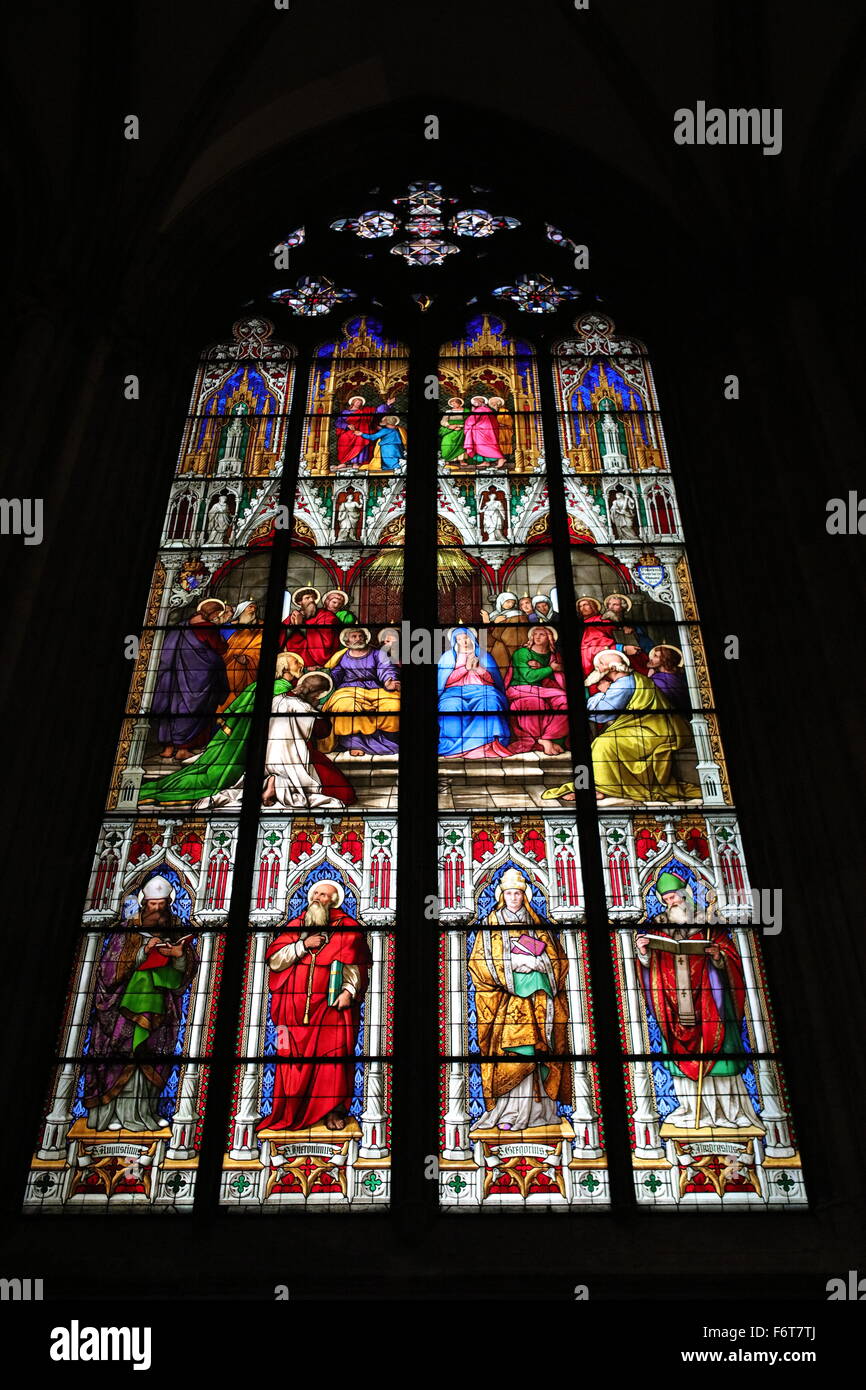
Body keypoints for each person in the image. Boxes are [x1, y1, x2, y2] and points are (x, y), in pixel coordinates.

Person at [635, 869, 764, 1131]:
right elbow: (647, 968)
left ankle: (732, 1111)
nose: (673, 901)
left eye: (677, 896)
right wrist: (643, 952)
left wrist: (718, 956)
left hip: (710, 1000)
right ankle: (692, 1109)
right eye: (668, 898)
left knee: (723, 1054)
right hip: (673, 1003)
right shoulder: (658, 925)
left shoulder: (707, 922)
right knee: (678, 1055)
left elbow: (732, 957)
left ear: (687, 894)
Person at [82, 876, 199, 1132]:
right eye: (153, 905)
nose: (157, 911)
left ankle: (145, 1111)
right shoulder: (126, 930)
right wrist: (142, 953)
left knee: (152, 1056)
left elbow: (188, 971)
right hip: (121, 1010)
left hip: (160, 1007)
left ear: (169, 903)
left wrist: (178, 957)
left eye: (162, 906)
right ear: (143, 903)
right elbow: (107, 970)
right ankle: (109, 1113)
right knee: (120, 1055)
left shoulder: (176, 930)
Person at [257, 880, 371, 1133]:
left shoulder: (347, 928)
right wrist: (302, 946)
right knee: (288, 1057)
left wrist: (348, 991)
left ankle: (332, 1111)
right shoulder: (295, 927)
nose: (318, 898)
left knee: (333, 1059)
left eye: (324, 895)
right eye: (316, 893)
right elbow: (275, 961)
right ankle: (291, 1111)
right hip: (290, 1011)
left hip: (330, 1010)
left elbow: (354, 964)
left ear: (334, 901)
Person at [469, 868, 571, 1131]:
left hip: (540, 1002)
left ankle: (539, 1112)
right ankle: (508, 1110)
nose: (514, 897)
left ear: (524, 895)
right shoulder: (491, 924)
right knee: (512, 1052)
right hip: (505, 1006)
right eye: (509, 893)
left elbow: (559, 962)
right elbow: (478, 964)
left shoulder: (537, 924)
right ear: (502, 895)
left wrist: (540, 963)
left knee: (539, 1051)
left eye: (518, 893)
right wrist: (512, 964)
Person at [140, 651, 305, 807]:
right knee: (214, 777)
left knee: (210, 772)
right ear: (283, 667)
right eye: (296, 662)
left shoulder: (267, 686)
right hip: (243, 743)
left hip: (248, 741)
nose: (300, 665)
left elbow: (236, 710)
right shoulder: (279, 689)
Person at [586, 650, 699, 804]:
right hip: (652, 726)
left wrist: (600, 694)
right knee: (605, 741)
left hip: (654, 730)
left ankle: (605, 788)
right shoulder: (628, 680)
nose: (597, 668)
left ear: (612, 669)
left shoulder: (623, 685)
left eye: (600, 665)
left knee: (604, 745)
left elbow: (600, 714)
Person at [151, 598, 230, 762]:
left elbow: (167, 649)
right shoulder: (208, 628)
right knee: (192, 709)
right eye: (217, 614)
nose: (217, 617)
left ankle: (168, 748)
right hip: (199, 677)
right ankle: (183, 749)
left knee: (172, 706)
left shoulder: (183, 625)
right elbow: (219, 648)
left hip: (175, 673)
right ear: (213, 613)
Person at [321, 627, 400, 755]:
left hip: (375, 688)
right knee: (344, 706)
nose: (358, 639)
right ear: (347, 642)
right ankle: (354, 743)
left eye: (360, 636)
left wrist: (388, 681)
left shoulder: (377, 653)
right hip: (348, 689)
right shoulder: (341, 658)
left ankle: (389, 740)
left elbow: (386, 668)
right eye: (354, 636)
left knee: (394, 705)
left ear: (365, 638)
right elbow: (334, 676)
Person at [438, 626, 511, 758]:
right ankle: (454, 745)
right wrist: (465, 668)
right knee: (449, 706)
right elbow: (445, 682)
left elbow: (493, 680)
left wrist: (478, 669)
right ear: (455, 641)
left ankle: (486, 745)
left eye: (465, 638)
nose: (463, 642)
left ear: (472, 638)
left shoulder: (484, 656)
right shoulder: (448, 657)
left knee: (491, 703)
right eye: (459, 639)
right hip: (454, 692)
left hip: (483, 690)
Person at [505, 625, 569, 755]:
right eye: (535, 634)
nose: (537, 637)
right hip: (520, 689)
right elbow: (529, 676)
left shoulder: (553, 656)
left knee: (565, 700)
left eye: (542, 634)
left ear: (550, 638)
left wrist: (548, 668)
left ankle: (548, 737)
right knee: (534, 702)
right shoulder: (522, 653)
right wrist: (550, 669)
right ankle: (539, 740)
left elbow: (558, 677)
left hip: (546, 689)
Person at [280, 586, 344, 666]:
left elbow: (327, 641)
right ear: (300, 602)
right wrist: (291, 627)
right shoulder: (292, 617)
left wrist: (301, 626)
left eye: (313, 598)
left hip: (315, 662)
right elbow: (279, 639)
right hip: (291, 662)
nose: (311, 600)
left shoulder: (326, 615)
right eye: (307, 598)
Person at [218, 598, 261, 711]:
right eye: (250, 607)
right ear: (241, 610)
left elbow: (260, 650)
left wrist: (248, 659)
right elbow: (218, 648)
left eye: (255, 608)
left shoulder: (260, 628)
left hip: (250, 670)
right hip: (226, 668)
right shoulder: (225, 628)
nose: (253, 610)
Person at [463, 395, 506, 465]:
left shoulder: (480, 410)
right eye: (474, 401)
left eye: (477, 401)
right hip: (486, 431)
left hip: (482, 431)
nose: (475, 402)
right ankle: (486, 462)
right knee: (482, 446)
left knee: (486, 446)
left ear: (481, 402)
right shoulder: (487, 409)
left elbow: (471, 420)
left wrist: (467, 426)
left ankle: (501, 458)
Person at [648, 643, 689, 711]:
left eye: (655, 656)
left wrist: (649, 679)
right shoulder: (680, 676)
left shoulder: (656, 679)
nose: (651, 658)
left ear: (665, 660)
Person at [439, 397, 467, 463]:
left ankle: (461, 461)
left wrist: (459, 426)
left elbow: (468, 421)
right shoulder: (449, 411)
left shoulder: (465, 411)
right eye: (452, 404)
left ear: (459, 403)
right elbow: (443, 421)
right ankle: (447, 459)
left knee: (460, 445)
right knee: (446, 443)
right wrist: (449, 426)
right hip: (449, 430)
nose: (453, 405)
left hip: (461, 430)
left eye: (455, 403)